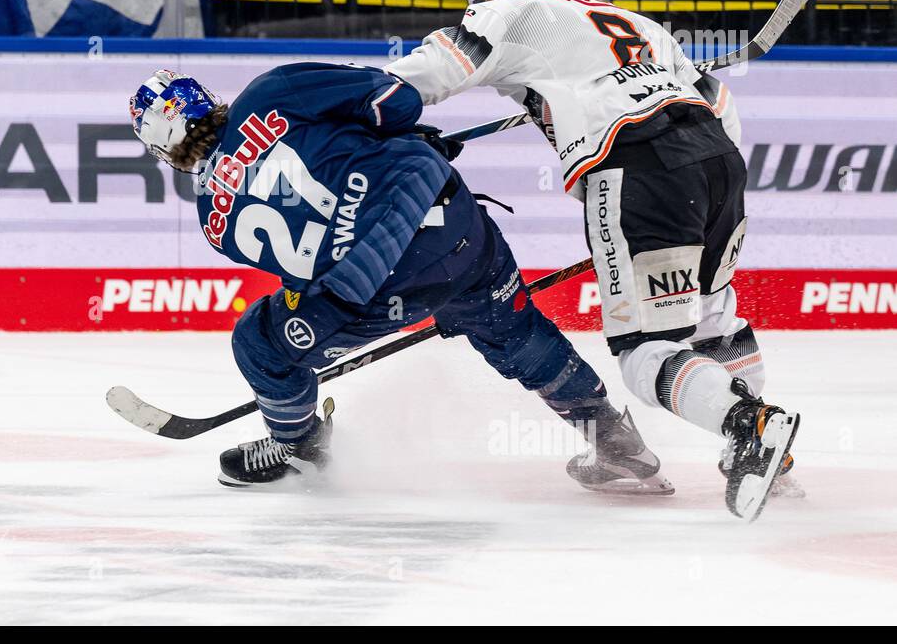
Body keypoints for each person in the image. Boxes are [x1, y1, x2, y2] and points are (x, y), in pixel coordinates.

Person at [383, 0, 800, 521]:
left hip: (637, 167)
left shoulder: (511, 13)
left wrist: (347, 102)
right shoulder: (633, 22)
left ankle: (749, 427)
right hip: (717, 160)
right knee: (714, 316)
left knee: (642, 353)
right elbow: (720, 105)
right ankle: (770, 453)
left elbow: (428, 73)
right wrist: (685, 202)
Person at [128, 66, 672, 494]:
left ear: (162, 148)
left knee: (260, 344)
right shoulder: (275, 88)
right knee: (513, 330)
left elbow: (313, 273)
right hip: (452, 226)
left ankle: (298, 444)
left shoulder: (213, 220)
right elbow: (395, 100)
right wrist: (411, 141)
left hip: (382, 291)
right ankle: (614, 442)